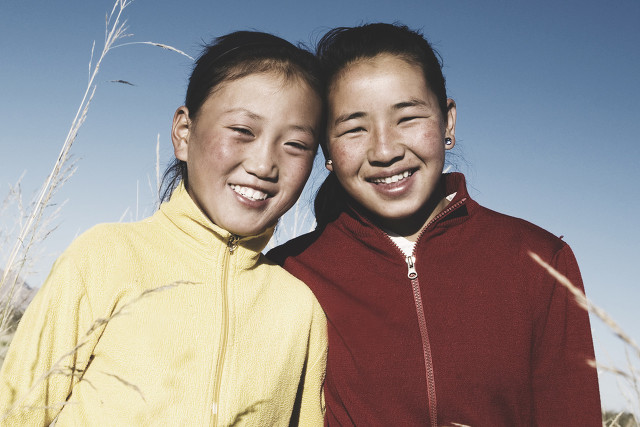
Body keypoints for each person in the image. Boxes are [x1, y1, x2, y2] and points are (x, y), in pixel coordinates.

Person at [268, 23, 601, 426]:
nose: (385, 151)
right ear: (327, 149)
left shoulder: (540, 260)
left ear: (448, 122)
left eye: (407, 118)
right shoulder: (291, 273)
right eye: (354, 128)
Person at [1, 31, 327, 426]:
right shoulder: (103, 257)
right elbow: (15, 412)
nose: (263, 164)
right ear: (184, 133)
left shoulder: (300, 309)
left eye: (296, 145)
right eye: (243, 130)